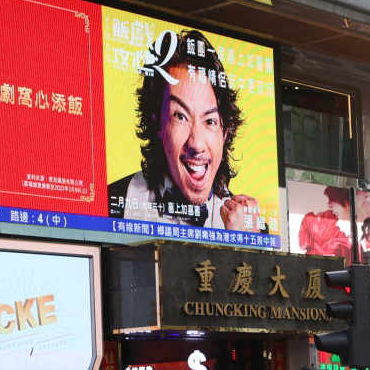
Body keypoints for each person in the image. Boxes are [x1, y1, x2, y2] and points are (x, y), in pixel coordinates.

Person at [106, 28, 264, 231]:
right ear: (157, 124)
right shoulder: (112, 203)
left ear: (225, 132)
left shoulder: (254, 228)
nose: (196, 144)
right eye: (180, 116)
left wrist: (244, 246)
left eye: (210, 121)